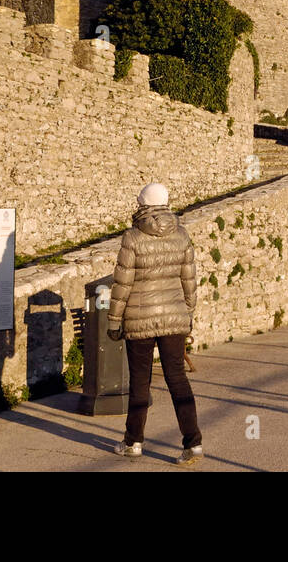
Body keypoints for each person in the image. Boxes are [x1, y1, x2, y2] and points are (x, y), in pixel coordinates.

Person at [106, 182, 203, 465]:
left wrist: (114, 321)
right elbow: (189, 281)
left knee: (140, 381)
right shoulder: (182, 236)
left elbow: (122, 283)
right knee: (177, 378)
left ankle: (133, 441)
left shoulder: (132, 237)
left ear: (143, 204)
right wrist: (188, 313)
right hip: (174, 318)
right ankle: (193, 443)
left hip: (139, 318)